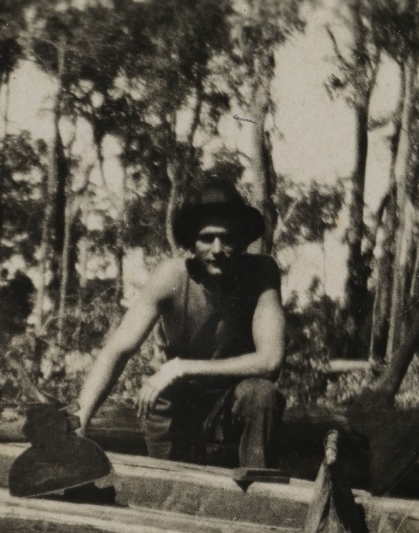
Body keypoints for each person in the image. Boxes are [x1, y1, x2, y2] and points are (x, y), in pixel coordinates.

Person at [75, 175, 286, 468]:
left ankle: (260, 491)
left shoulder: (261, 274)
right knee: (172, 494)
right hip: (177, 408)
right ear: (191, 241)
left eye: (226, 238)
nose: (216, 249)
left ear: (240, 242)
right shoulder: (171, 277)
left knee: (262, 395)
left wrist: (183, 367)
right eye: (206, 237)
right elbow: (118, 350)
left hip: (231, 402)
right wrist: (78, 420)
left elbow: (270, 360)